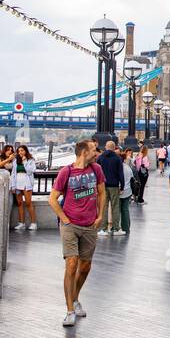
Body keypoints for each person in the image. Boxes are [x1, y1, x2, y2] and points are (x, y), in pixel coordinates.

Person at [48, 139, 106, 326]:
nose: (96, 152)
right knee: (71, 264)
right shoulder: (67, 172)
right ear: (83, 153)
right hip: (70, 225)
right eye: (93, 150)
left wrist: (100, 216)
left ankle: (74, 298)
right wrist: (64, 219)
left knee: (85, 266)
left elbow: (102, 193)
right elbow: (53, 199)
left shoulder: (96, 169)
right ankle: (70, 310)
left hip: (90, 224)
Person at [96, 140, 125, 236]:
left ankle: (103, 229)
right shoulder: (117, 158)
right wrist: (122, 185)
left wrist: (97, 185)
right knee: (115, 206)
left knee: (103, 207)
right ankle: (116, 229)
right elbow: (120, 173)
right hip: (114, 185)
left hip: (102, 185)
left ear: (105, 147)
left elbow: (97, 173)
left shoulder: (100, 158)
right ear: (114, 147)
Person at [12, 144, 38, 231]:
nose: (20, 152)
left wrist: (25, 162)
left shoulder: (31, 160)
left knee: (28, 203)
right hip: (17, 183)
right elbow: (13, 174)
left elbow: (31, 171)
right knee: (19, 203)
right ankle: (21, 223)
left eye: (22, 150)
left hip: (27, 183)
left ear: (26, 151)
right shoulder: (15, 160)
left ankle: (34, 223)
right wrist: (13, 185)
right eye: (19, 151)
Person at [114, 148, 134, 236]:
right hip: (128, 191)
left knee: (117, 209)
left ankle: (116, 227)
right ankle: (126, 227)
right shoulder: (128, 167)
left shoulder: (117, 168)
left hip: (119, 191)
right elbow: (132, 178)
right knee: (125, 209)